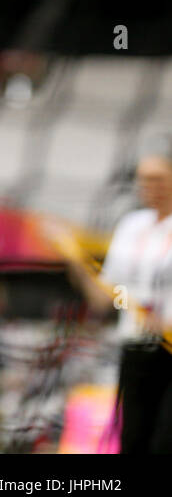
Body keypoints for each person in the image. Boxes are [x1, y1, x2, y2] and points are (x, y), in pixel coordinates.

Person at [53, 133, 172, 453]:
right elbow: (105, 298)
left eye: (157, 178)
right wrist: (75, 260)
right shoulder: (132, 226)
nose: (148, 186)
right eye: (143, 179)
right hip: (136, 349)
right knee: (133, 440)